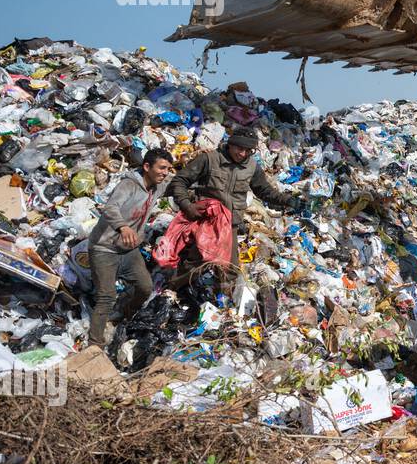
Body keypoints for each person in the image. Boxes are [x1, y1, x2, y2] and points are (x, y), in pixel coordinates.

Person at [166, 126, 305, 284]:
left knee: (230, 270)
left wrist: (287, 200)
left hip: (230, 224)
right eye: (239, 148)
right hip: (207, 221)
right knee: (197, 261)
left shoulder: (252, 167)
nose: (243, 154)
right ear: (230, 144)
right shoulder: (210, 159)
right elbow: (179, 181)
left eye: (248, 150)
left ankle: (224, 304)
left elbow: (264, 191)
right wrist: (187, 205)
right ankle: (170, 290)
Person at [86, 148, 174, 347]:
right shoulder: (128, 185)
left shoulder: (157, 187)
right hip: (104, 249)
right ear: (146, 167)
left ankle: (122, 317)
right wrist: (123, 227)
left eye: (168, 169)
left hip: (128, 250)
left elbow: (180, 183)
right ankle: (94, 347)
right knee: (106, 296)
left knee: (145, 287)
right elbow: (110, 208)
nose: (165, 173)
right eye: (161, 168)